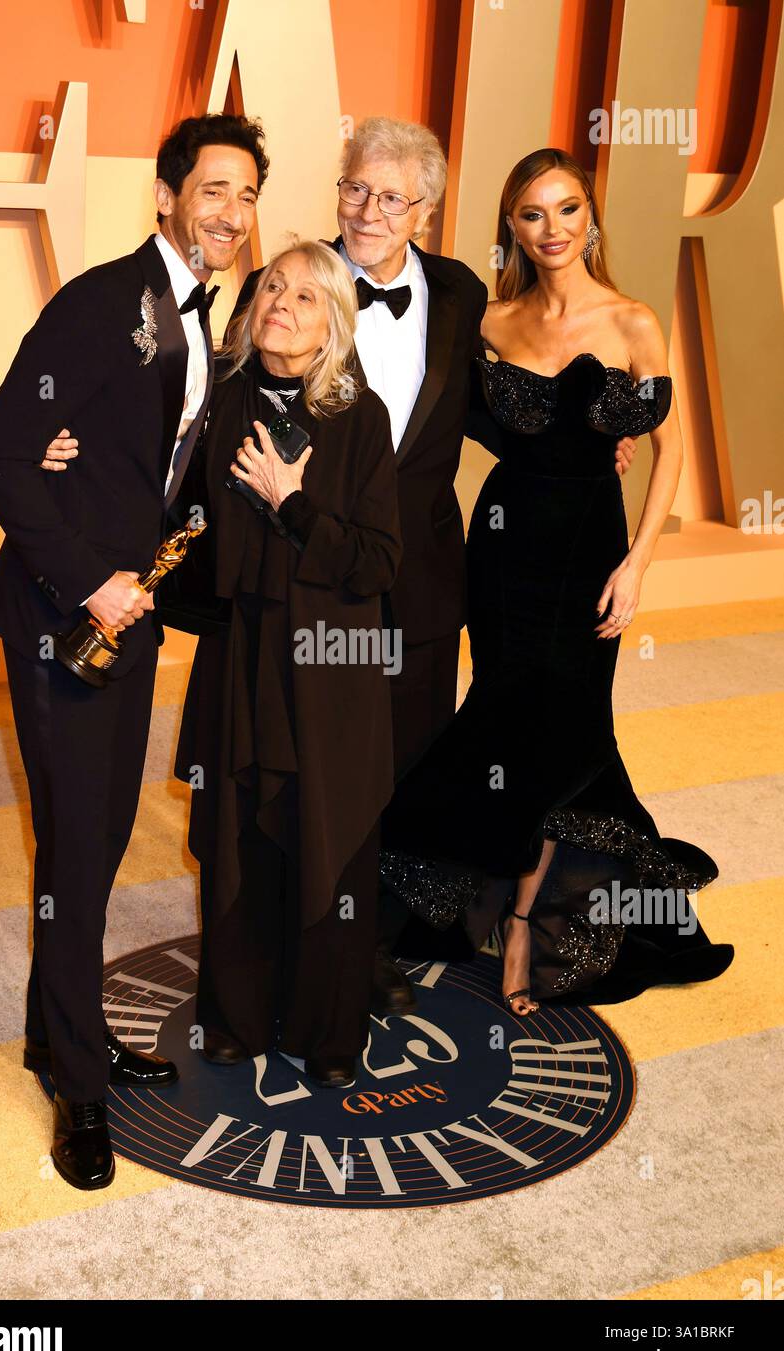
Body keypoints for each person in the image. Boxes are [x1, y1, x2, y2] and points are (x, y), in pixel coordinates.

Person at [227, 117, 638, 1017]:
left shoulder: (454, 294)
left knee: (399, 771)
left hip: (417, 585)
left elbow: (483, 411)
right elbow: (230, 402)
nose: (369, 211)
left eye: (391, 196)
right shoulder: (290, 281)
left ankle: (365, 946)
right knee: (297, 764)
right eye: (355, 190)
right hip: (302, 585)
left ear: (427, 208)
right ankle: (280, 946)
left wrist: (581, 446)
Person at [0, 112, 268, 1189]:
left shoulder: (208, 317)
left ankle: (60, 1037)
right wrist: (87, 579)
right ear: (166, 193)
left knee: (89, 842)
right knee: (81, 847)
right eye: (213, 190)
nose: (229, 215)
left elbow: (155, 466)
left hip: (126, 622)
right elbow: (0, 447)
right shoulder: (106, 300)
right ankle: (79, 1095)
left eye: (244, 196)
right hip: (64, 618)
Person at [378, 147, 734, 1013]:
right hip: (501, 551)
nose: (551, 231)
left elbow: (671, 448)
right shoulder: (490, 322)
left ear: (590, 218)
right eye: (532, 214)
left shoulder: (633, 321)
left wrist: (639, 560)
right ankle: (493, 901)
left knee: (567, 725)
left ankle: (528, 926)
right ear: (512, 225)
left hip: (590, 551)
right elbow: (436, 422)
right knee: (502, 718)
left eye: (566, 210)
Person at [172, 240, 401, 1086]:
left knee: (328, 843)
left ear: (332, 324)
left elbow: (379, 563)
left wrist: (292, 502)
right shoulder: (220, 402)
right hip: (240, 658)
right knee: (237, 839)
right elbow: (180, 525)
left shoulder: (358, 417)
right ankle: (233, 1016)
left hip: (330, 673)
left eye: (307, 296)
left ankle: (329, 1032)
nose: (282, 303)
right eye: (274, 287)